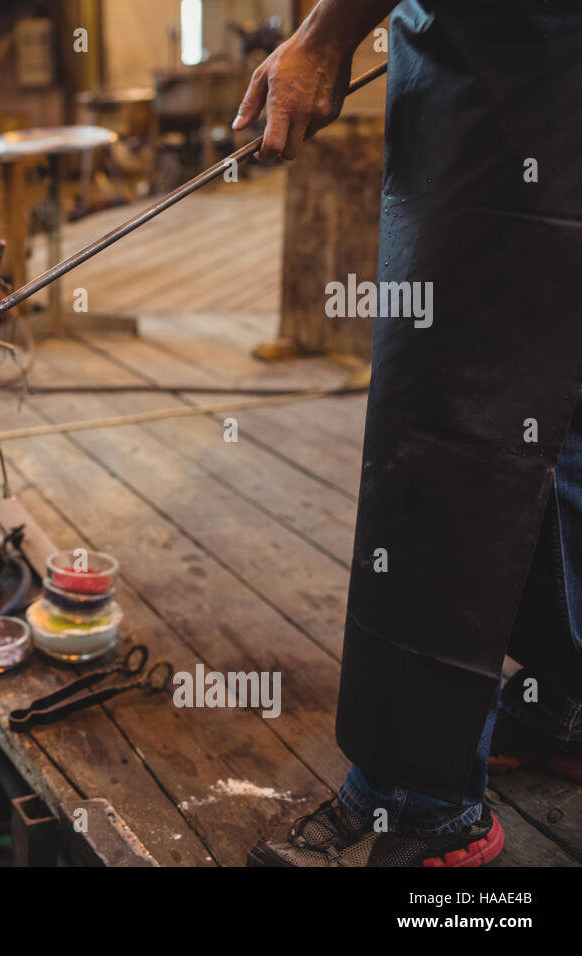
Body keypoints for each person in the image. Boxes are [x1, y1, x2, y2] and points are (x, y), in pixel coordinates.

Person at [235, 0, 582, 867]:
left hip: (508, 79)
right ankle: (562, 696)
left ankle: (417, 793)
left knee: (450, 406)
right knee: (564, 402)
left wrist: (326, 35)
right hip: (528, 60)